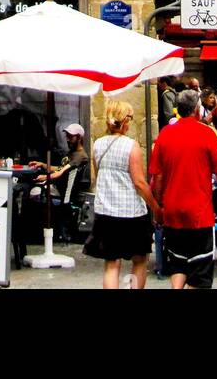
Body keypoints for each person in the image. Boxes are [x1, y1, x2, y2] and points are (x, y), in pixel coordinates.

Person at [150, 88, 217, 291]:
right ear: (197, 109)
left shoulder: (165, 135)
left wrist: (159, 206)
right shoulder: (207, 134)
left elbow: (157, 176)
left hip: (172, 210)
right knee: (201, 276)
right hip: (199, 213)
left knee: (178, 263)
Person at [83, 100, 159, 290]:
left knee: (111, 264)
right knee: (140, 260)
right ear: (125, 121)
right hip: (131, 212)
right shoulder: (131, 146)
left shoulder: (98, 145)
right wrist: (156, 207)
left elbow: (98, 173)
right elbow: (140, 183)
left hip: (106, 211)